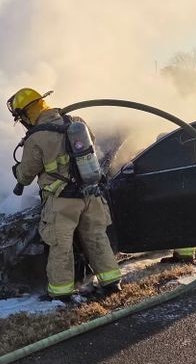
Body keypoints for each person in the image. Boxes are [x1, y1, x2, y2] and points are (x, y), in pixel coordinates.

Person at [8, 88, 122, 300]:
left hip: (62, 202)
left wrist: (17, 172)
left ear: (26, 114)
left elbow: (26, 175)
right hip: (91, 194)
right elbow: (91, 144)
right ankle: (112, 283)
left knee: (61, 246)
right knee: (97, 238)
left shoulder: (37, 137)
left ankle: (61, 295)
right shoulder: (76, 121)